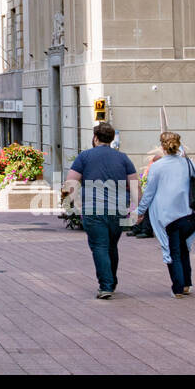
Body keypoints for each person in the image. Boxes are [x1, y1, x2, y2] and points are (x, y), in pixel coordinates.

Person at [134, 132, 195, 299]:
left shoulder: (157, 167)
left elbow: (149, 193)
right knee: (183, 249)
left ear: (162, 146)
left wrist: (140, 212)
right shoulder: (188, 163)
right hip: (188, 215)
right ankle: (187, 284)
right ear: (178, 144)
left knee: (174, 252)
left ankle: (178, 287)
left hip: (168, 217)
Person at [64, 122, 138, 299]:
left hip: (93, 209)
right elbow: (134, 185)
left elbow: (71, 182)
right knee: (111, 246)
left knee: (99, 246)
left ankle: (106, 285)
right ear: (111, 139)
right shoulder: (123, 158)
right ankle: (110, 283)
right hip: (118, 209)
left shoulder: (85, 157)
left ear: (95, 138)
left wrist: (75, 204)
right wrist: (138, 209)